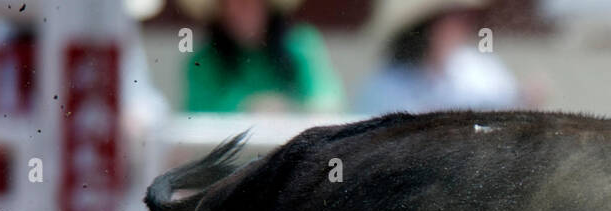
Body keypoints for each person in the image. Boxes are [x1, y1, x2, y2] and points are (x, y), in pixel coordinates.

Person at [353, 0, 520, 116]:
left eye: (465, 16)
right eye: (453, 16)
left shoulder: (484, 70)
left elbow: (507, 110)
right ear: (425, 26)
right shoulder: (385, 87)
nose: (464, 24)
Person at [180, 0, 344, 113]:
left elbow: (328, 100)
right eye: (228, 2)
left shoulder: (300, 43)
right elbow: (197, 115)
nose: (237, 10)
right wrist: (247, 108)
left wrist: (289, 108)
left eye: (247, 2)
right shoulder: (203, 60)